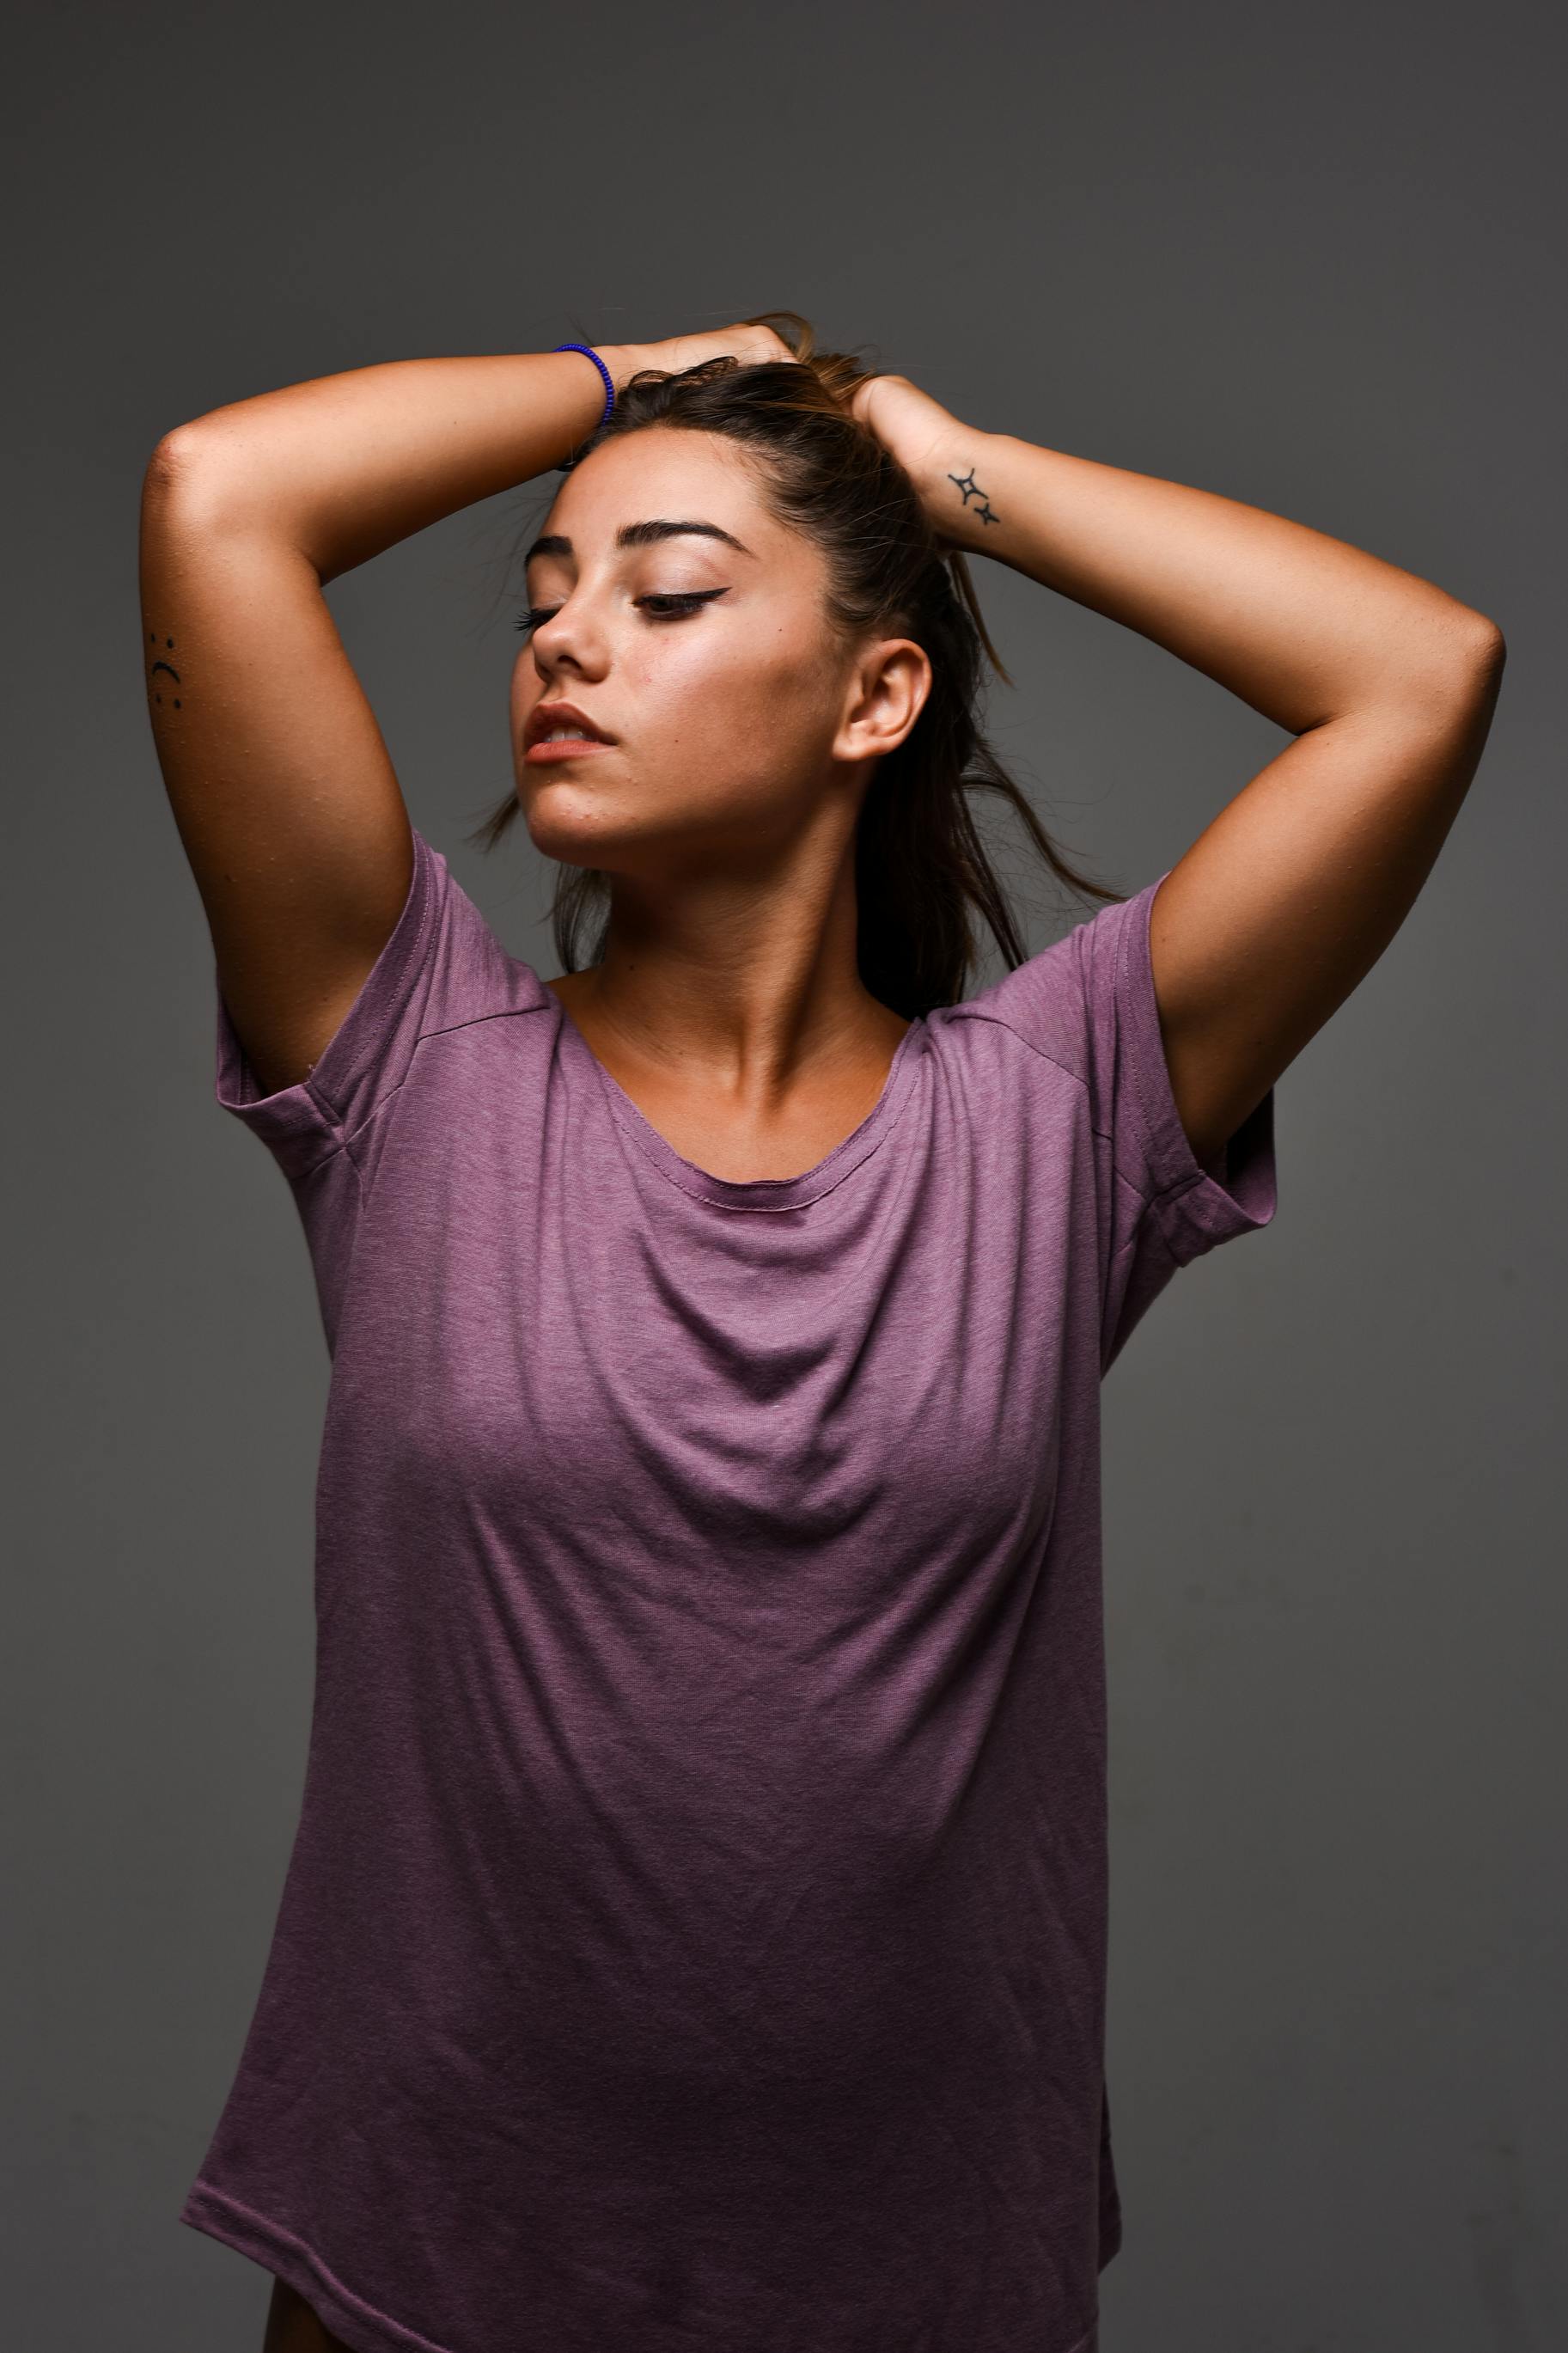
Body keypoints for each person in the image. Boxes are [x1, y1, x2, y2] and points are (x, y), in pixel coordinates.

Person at [143, 312, 1504, 2353]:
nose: (565, 645)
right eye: (545, 596)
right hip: (426, 2268)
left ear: (877, 694)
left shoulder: (1057, 1112)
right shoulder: (410, 1050)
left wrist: (931, 466)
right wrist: (647, 372)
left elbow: (1417, 676)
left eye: (666, 588)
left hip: (920, 2283)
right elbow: (217, 496)